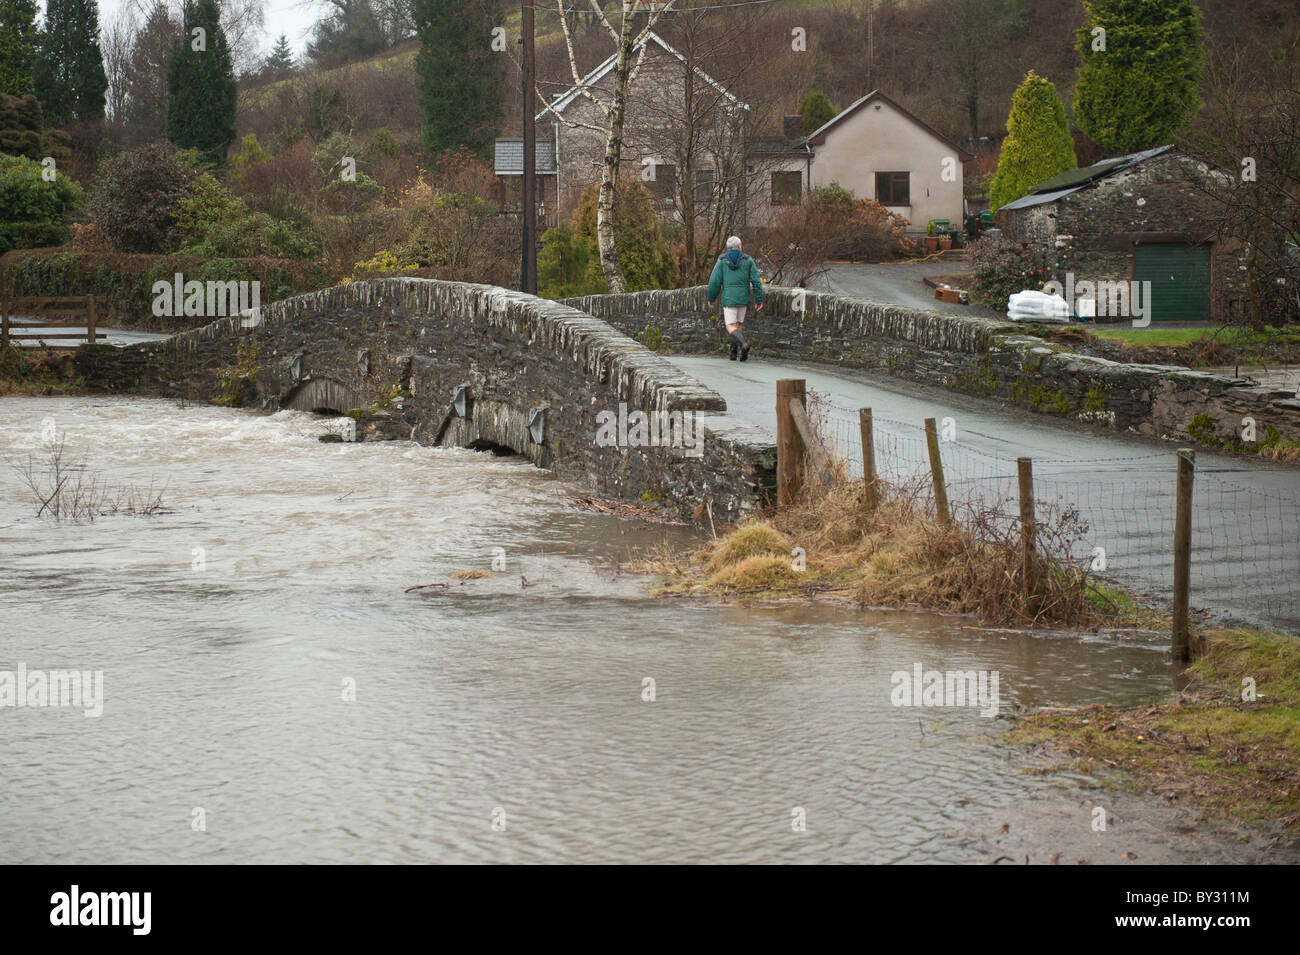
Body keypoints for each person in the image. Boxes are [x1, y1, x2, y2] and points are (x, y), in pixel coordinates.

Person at [706, 235, 764, 361]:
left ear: (728, 248)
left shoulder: (722, 260)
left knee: (730, 326)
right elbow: (756, 281)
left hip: (729, 299)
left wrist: (711, 297)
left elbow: (715, 281)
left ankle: (743, 344)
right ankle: (735, 353)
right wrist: (759, 299)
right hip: (743, 298)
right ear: (739, 246)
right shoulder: (748, 260)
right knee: (738, 325)